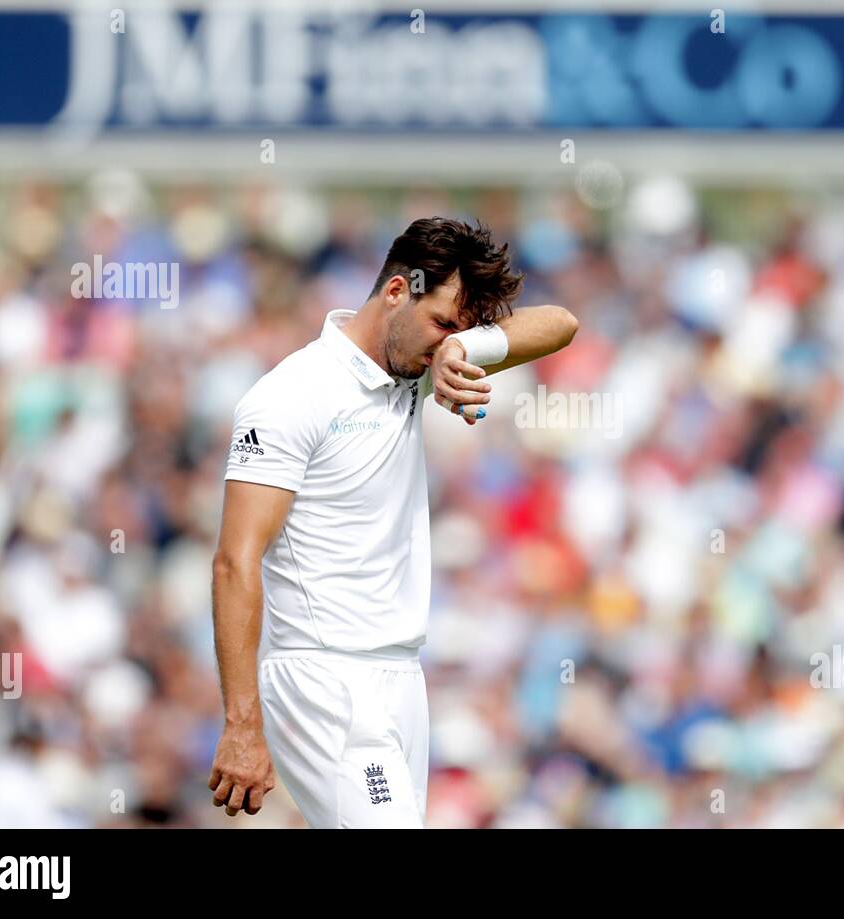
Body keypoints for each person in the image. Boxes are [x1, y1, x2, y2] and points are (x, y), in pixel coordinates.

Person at [207, 217, 578, 827]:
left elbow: (561, 323)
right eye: (443, 325)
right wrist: (242, 724)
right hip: (323, 677)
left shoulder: (417, 367)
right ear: (398, 291)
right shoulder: (290, 396)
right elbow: (234, 561)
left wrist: (465, 347)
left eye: (459, 331)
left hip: (401, 676)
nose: (445, 344)